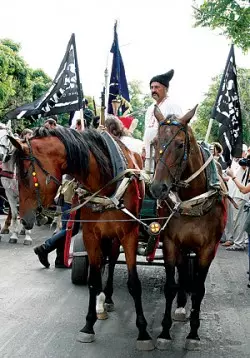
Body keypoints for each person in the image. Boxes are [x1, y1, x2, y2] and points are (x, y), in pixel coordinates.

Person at [143, 69, 182, 172]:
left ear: (165, 88)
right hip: (149, 153)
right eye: (151, 87)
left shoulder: (172, 105)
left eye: (157, 87)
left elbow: (177, 131)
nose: (153, 90)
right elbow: (147, 129)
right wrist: (144, 147)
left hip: (164, 156)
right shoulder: (150, 108)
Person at [222, 152, 250, 251]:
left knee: (238, 221)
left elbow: (244, 189)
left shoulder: (244, 163)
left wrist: (232, 176)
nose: (247, 153)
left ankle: (239, 243)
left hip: (241, 196)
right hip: (234, 195)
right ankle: (236, 241)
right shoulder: (238, 163)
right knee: (234, 220)